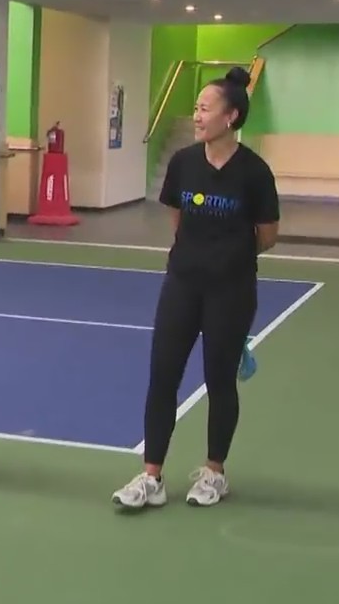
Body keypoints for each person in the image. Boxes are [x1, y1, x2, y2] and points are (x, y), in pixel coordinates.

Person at [111, 66, 279, 511]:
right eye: (197, 108)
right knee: (162, 376)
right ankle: (152, 477)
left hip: (232, 291)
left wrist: (230, 258)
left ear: (231, 116)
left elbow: (268, 234)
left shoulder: (255, 172)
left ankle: (214, 472)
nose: (197, 115)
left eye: (205, 108)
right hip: (182, 285)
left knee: (220, 381)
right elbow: (178, 220)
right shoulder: (184, 164)